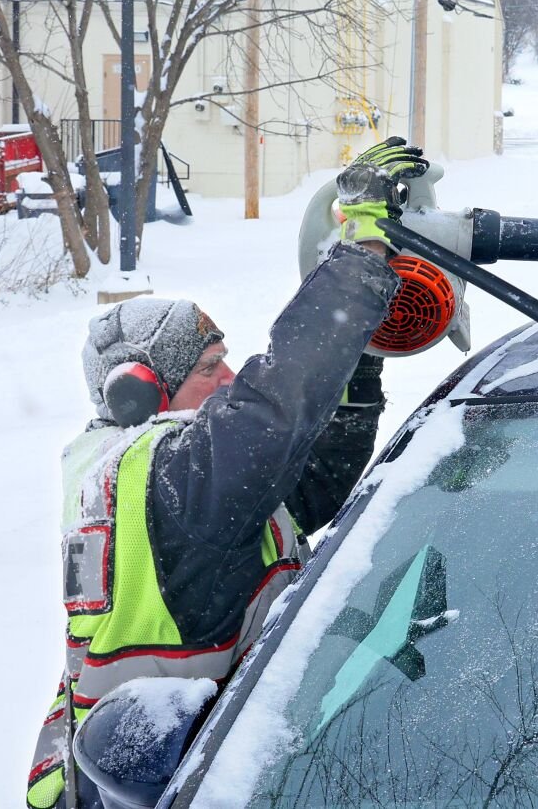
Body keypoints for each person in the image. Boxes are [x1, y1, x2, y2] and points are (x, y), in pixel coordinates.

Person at [25, 138, 428, 808]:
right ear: (139, 393)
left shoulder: (171, 483)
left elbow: (306, 489)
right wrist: (360, 253)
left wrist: (358, 366)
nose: (231, 380)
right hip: (159, 786)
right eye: (211, 368)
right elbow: (274, 407)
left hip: (173, 772)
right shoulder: (161, 477)